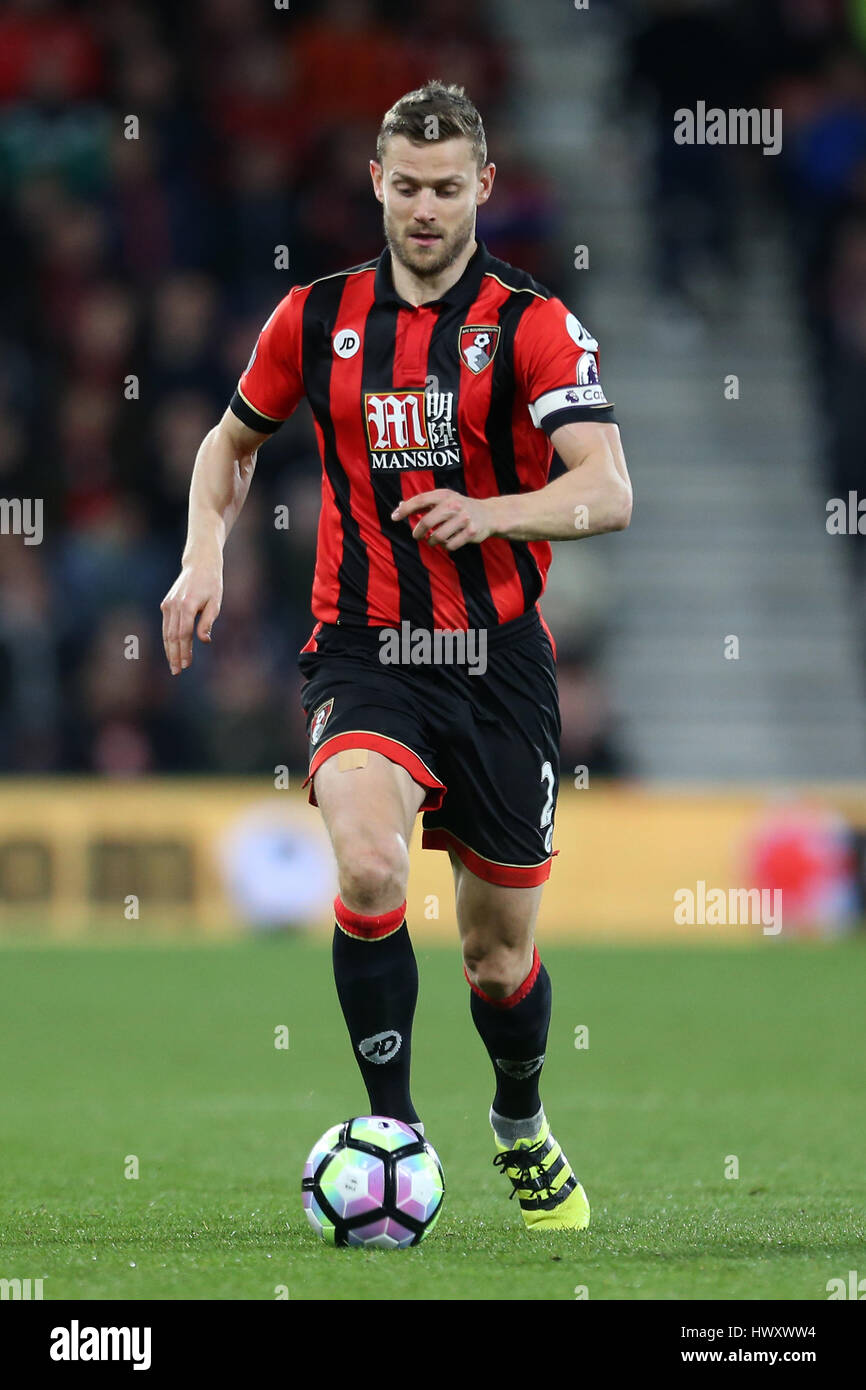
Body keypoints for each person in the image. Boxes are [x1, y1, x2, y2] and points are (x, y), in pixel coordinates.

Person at [161, 80, 632, 1230]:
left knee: (495, 960)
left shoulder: (531, 327)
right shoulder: (313, 319)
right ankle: (394, 1131)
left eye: (447, 187)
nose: (425, 208)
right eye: (405, 187)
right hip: (362, 652)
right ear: (376, 185)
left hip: (498, 666)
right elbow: (228, 447)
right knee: (369, 870)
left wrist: (494, 512)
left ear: (482, 186)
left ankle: (517, 1119)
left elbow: (606, 490)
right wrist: (201, 554)